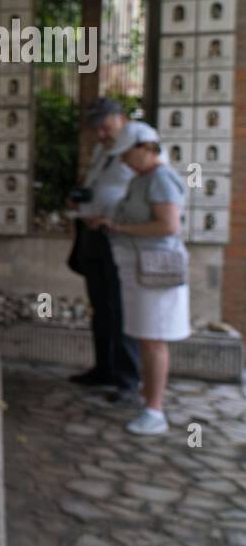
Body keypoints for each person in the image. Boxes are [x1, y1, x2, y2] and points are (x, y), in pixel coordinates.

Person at [85, 123, 190, 435]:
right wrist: (109, 221)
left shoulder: (161, 178)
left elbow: (168, 226)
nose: (123, 161)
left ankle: (154, 410)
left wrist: (120, 229)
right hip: (139, 266)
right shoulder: (143, 178)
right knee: (145, 335)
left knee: (154, 339)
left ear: (147, 147)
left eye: (127, 154)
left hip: (155, 268)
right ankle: (149, 401)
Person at [70, 99, 143, 398]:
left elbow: (142, 198)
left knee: (121, 309)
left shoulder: (140, 145)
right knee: (101, 306)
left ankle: (127, 379)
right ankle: (104, 368)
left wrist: (112, 218)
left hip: (118, 237)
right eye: (96, 127)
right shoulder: (105, 149)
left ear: (121, 118)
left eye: (105, 125)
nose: (100, 132)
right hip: (94, 234)